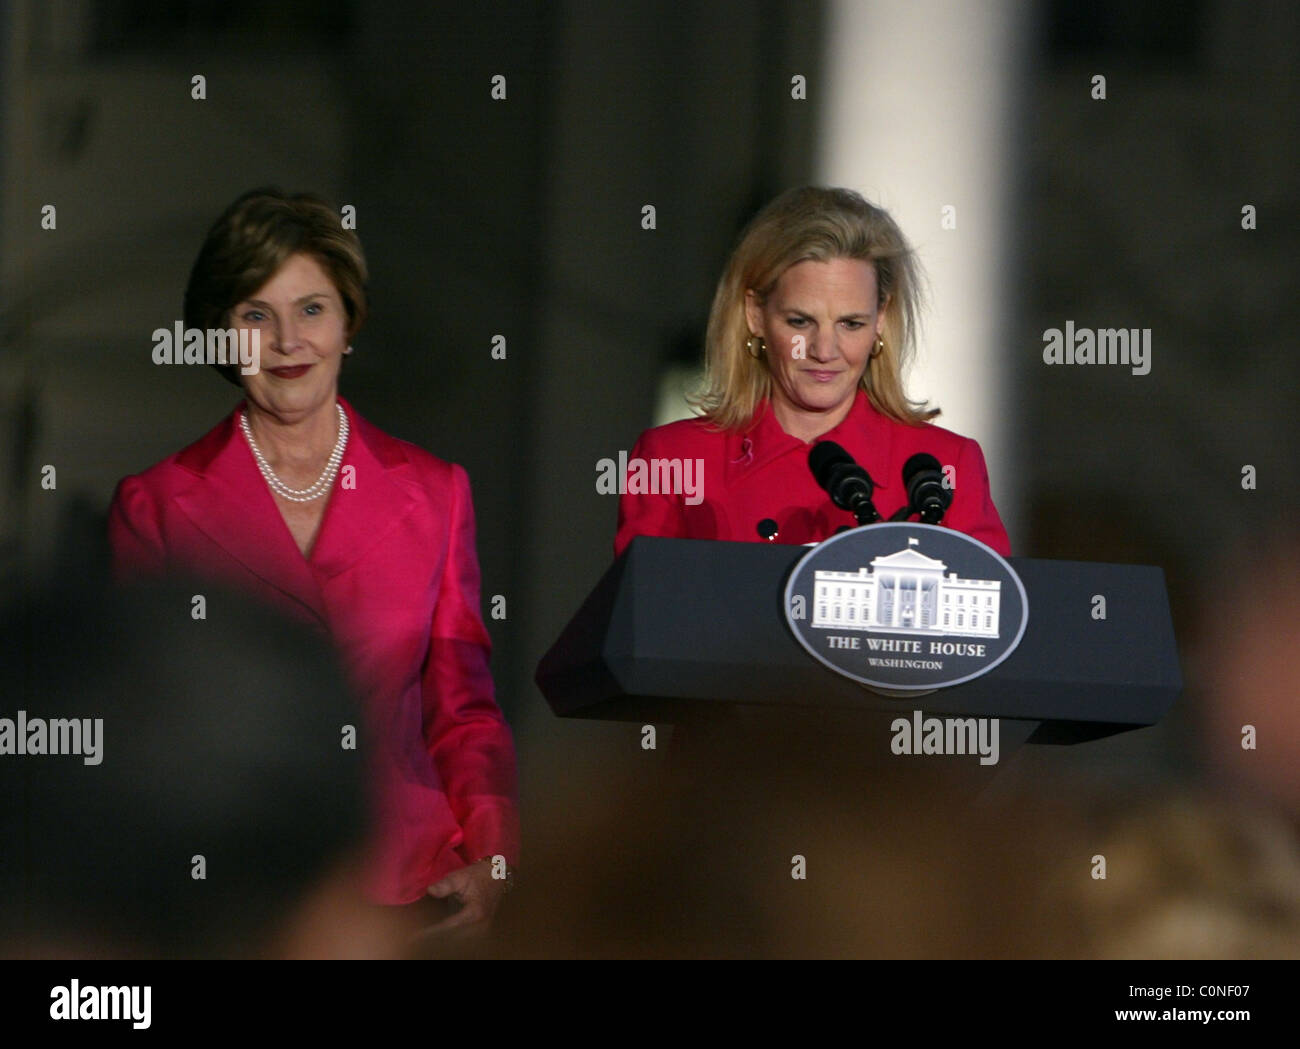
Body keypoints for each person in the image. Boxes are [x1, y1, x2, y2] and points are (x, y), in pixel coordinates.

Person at [106, 188, 519, 940]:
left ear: (349, 322)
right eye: (254, 314)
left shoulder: (437, 492)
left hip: (413, 898)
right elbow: (145, 734)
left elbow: (463, 712)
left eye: (313, 309)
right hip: (236, 899)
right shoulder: (155, 505)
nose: (288, 340)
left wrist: (493, 854)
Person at [615, 186, 1011, 557]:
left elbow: (992, 614)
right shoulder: (671, 459)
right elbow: (643, 615)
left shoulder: (946, 465)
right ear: (756, 314)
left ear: (881, 319)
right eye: (801, 321)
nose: (824, 351)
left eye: (850, 323)